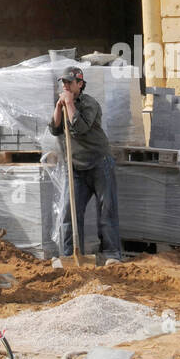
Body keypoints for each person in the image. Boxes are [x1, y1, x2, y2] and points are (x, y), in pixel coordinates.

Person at [48, 64, 122, 264]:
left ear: (80, 84)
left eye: (69, 83)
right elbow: (54, 130)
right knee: (69, 213)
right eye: (63, 82)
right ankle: (70, 255)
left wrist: (70, 104)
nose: (65, 86)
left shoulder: (89, 103)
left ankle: (111, 253)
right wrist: (58, 107)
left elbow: (79, 127)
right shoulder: (62, 103)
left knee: (106, 210)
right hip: (76, 167)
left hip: (99, 163)